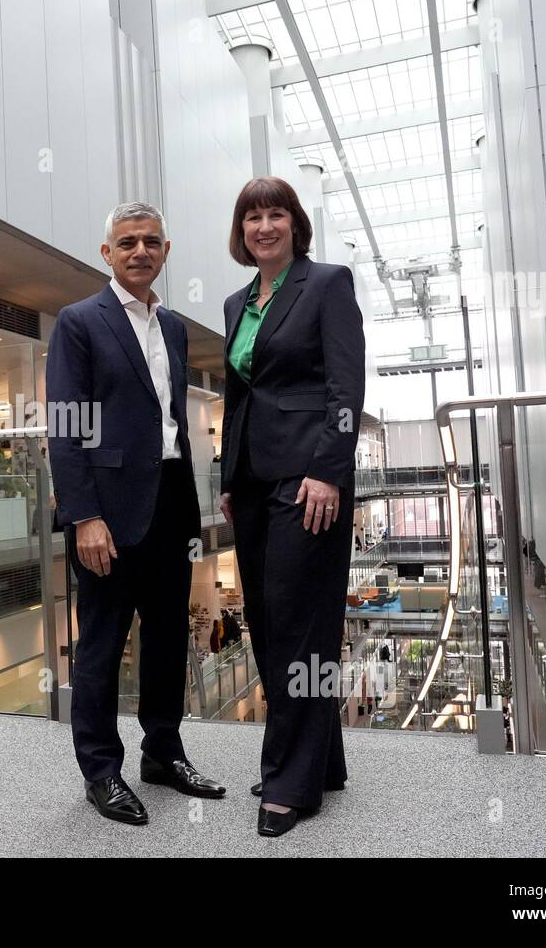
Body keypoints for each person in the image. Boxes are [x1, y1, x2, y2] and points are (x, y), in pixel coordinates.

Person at [46, 201, 225, 826]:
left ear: (166, 251)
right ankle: (100, 770)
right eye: (127, 243)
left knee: (169, 638)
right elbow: (66, 428)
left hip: (172, 504)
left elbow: (168, 421)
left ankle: (162, 753)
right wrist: (83, 516)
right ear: (107, 254)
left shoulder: (172, 327)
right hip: (108, 516)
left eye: (151, 241)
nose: (140, 251)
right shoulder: (79, 322)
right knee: (100, 646)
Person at [217, 176, 366, 837]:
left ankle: (288, 780)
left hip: (309, 479)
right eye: (253, 216)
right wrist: (227, 475)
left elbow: (345, 383)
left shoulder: (327, 283)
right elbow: (238, 395)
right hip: (252, 479)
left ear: (294, 224)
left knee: (301, 624)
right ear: (241, 231)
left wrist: (330, 470)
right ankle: (320, 760)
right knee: (268, 623)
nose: (265, 225)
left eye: (276, 213)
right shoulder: (237, 301)